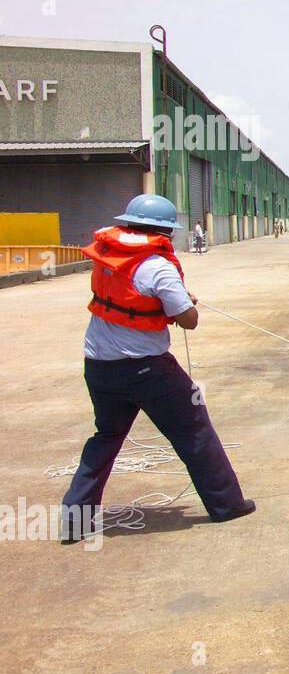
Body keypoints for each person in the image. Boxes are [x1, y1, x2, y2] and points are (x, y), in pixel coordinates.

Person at [60, 194, 254, 543]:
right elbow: (188, 320)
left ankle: (75, 519)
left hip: (99, 367)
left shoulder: (106, 258)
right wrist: (184, 302)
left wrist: (170, 299)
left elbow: (129, 298)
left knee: (106, 436)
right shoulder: (158, 266)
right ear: (163, 231)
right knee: (194, 430)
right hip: (149, 370)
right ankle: (227, 504)